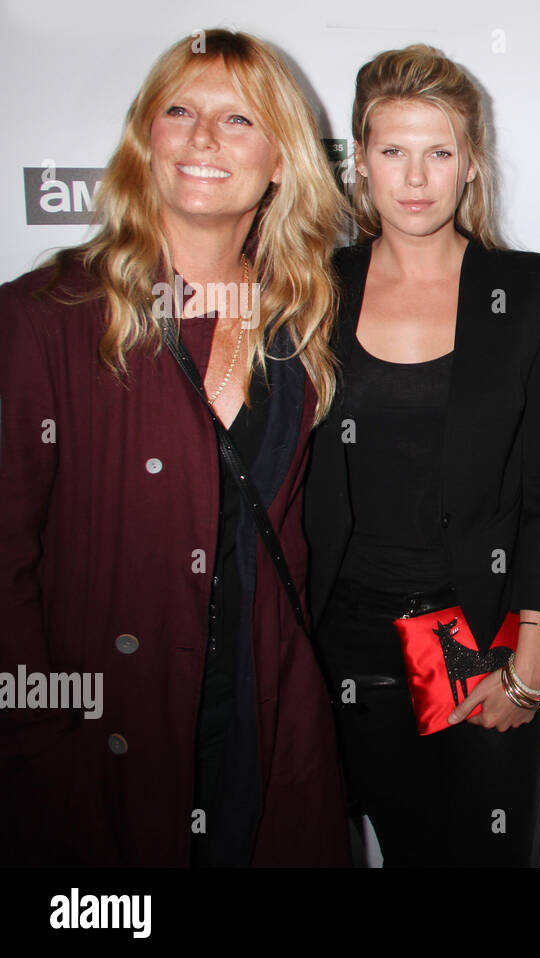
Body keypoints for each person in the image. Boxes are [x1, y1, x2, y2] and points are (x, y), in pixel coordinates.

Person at [0, 30, 349, 866]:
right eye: (180, 111)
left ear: (279, 164)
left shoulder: (301, 323)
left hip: (263, 713)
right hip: (106, 724)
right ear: (143, 141)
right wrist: (39, 743)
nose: (201, 138)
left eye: (238, 120)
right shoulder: (43, 317)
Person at [304, 44, 540, 867]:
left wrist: (532, 649)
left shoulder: (530, 289)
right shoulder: (316, 285)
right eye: (392, 151)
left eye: (439, 152)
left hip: (482, 637)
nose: (415, 177)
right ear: (360, 162)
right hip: (348, 644)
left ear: (471, 166)